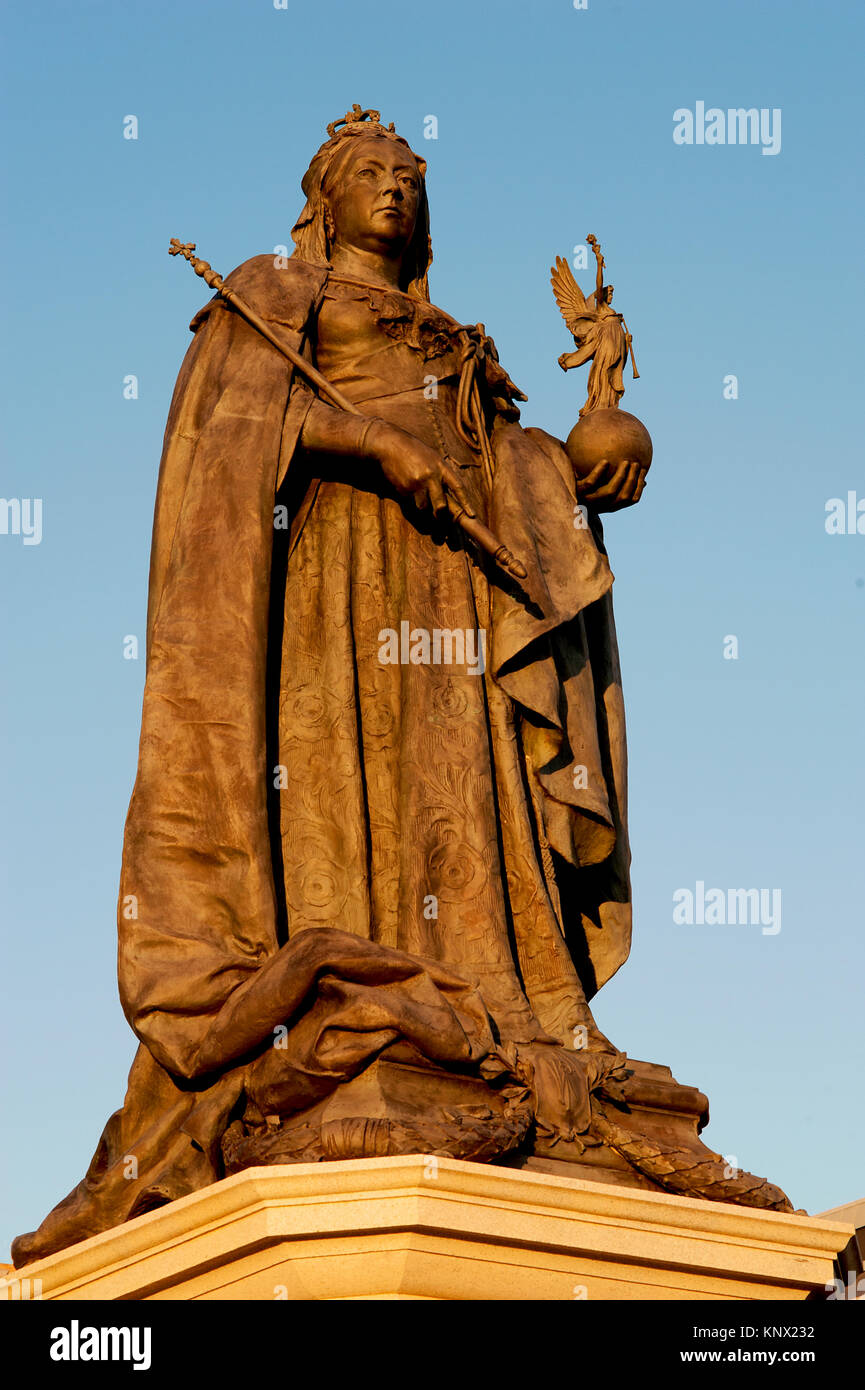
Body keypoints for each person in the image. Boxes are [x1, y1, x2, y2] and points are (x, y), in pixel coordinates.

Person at [12, 107, 649, 1266]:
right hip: (337, 575)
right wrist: (374, 446)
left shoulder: (456, 330)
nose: (395, 188)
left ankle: (498, 1006)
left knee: (466, 794)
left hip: (455, 587)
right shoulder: (271, 292)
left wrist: (588, 445)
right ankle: (358, 990)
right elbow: (231, 427)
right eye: (370, 173)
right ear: (325, 198)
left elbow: (505, 456)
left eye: (410, 174)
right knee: (345, 784)